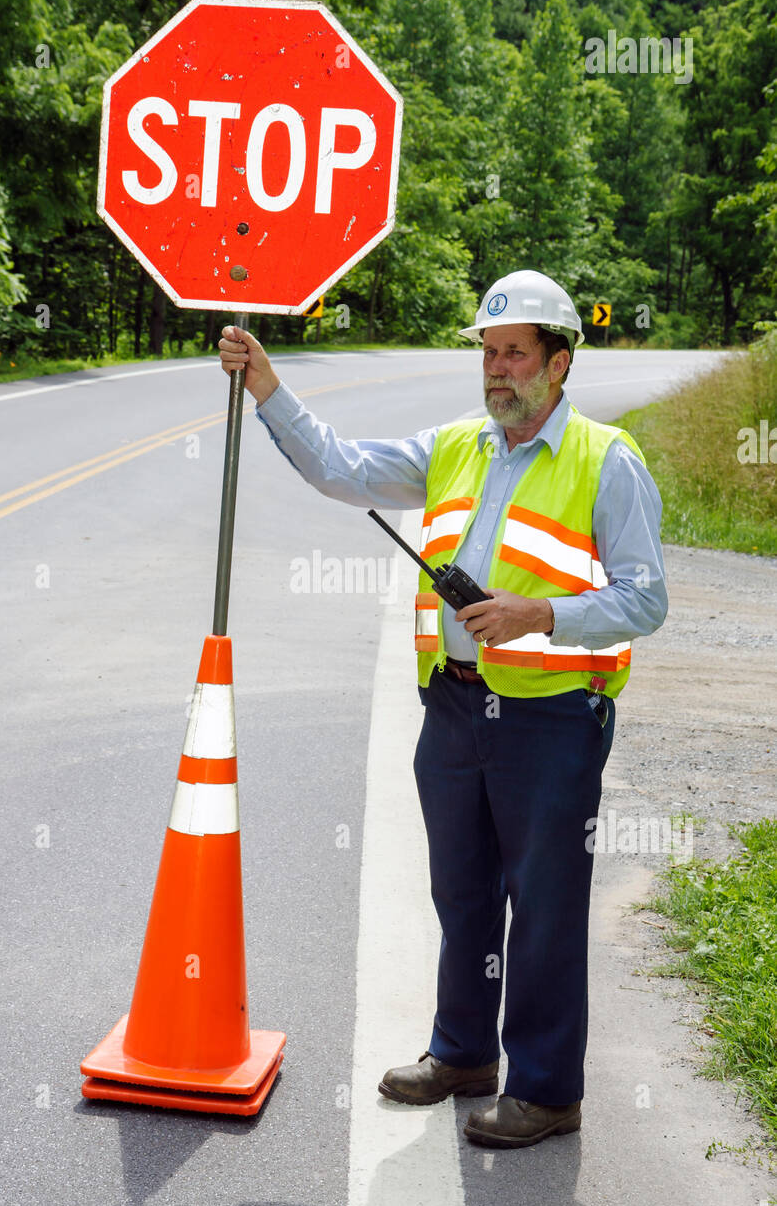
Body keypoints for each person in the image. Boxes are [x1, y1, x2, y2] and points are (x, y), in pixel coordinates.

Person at [217, 268, 668, 1149]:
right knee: (462, 894)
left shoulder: (605, 460)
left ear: (559, 364)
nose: (497, 371)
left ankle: (546, 1090)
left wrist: (539, 614)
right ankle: (464, 1053)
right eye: (489, 354)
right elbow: (342, 468)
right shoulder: (457, 445)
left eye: (515, 354)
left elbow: (646, 599)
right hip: (455, 711)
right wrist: (267, 385)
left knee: (542, 905)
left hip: (552, 719)